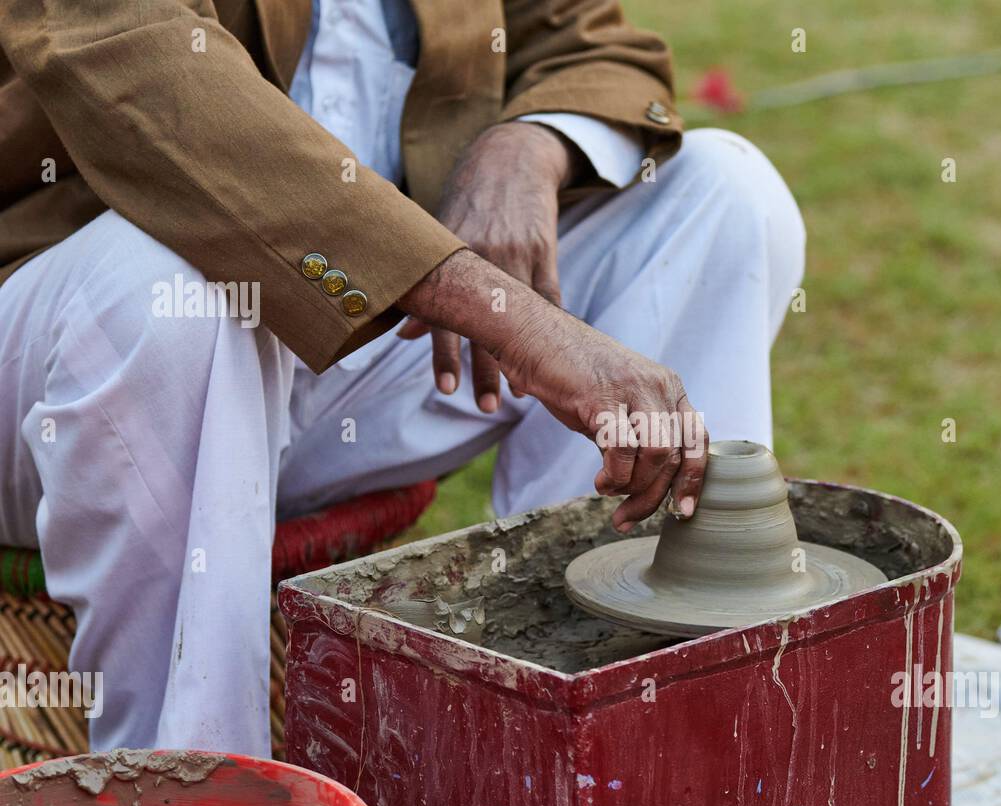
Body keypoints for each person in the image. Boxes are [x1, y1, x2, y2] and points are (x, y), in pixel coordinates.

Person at [0, 0, 804, 755]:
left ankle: (593, 721)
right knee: (178, 284)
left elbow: (581, 35)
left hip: (368, 348)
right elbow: (141, 73)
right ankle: (196, 800)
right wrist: (507, 315)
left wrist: (523, 146)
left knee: (721, 193)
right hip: (70, 362)